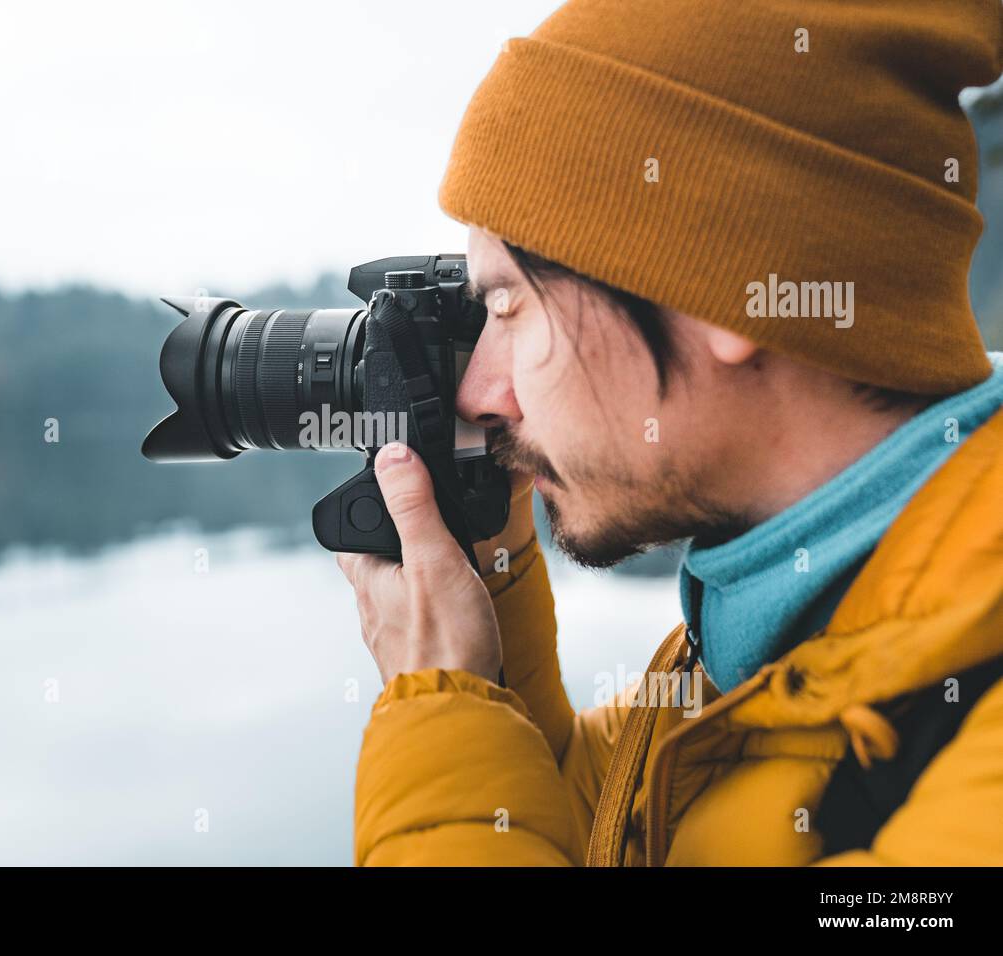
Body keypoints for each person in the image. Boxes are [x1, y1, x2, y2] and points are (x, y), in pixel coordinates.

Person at [335, 0, 1003, 865]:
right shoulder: (758, 650)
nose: (480, 391)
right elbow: (599, 828)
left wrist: (442, 707)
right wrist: (485, 582)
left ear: (729, 289)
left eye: (510, 302)